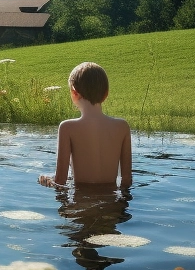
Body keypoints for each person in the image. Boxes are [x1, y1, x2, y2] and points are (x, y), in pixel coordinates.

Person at [38, 62, 133, 190]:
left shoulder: (67, 128)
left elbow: (60, 181)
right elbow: (126, 180)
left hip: (80, 203)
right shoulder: (122, 127)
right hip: (113, 206)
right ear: (106, 93)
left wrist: (46, 180)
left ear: (74, 93)